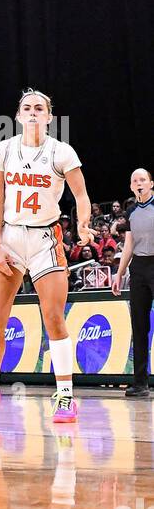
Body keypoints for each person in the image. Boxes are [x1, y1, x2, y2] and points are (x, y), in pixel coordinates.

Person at [0, 89, 92, 423]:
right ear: (19, 115)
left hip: (44, 240)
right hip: (10, 238)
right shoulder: (3, 150)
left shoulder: (61, 151)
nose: (33, 112)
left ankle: (65, 395)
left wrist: (83, 223)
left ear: (49, 116)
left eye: (40, 108)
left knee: (53, 317)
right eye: (27, 108)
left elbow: (81, 195)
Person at [111, 168, 154, 398]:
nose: (139, 183)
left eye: (143, 179)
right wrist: (119, 274)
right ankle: (140, 383)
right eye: (135, 180)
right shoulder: (131, 211)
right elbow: (129, 244)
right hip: (138, 268)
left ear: (151, 184)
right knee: (139, 326)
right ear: (131, 186)